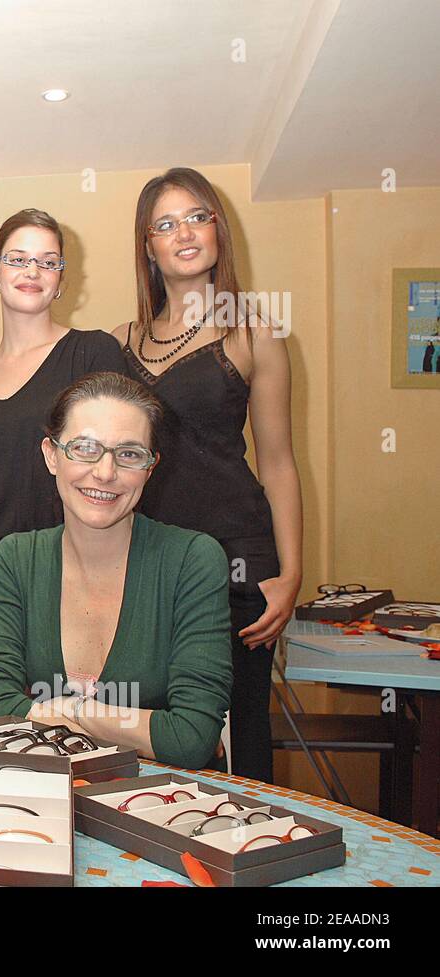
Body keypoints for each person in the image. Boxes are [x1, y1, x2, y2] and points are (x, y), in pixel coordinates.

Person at [112, 167, 302, 781]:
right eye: (165, 224)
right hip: (146, 562)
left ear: (218, 228)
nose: (184, 233)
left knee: (242, 727)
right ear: (148, 246)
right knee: (152, 725)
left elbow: (277, 461)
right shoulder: (120, 342)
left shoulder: (255, 331)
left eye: (197, 216)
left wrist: (291, 571)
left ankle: (253, 858)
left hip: (238, 559)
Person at [0, 209, 127, 722]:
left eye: (47, 261)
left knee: (76, 748)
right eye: (18, 258)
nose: (31, 270)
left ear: (61, 281)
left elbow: (122, 467)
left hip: (71, 582)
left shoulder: (92, 352)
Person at [0, 373, 233, 771]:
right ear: (50, 455)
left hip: (166, 809)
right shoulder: (17, 558)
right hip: (50, 798)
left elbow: (192, 738)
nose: (105, 473)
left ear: (150, 468)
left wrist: (75, 713)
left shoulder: (193, 560)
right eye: (85, 448)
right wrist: (141, 728)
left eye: (128, 454)